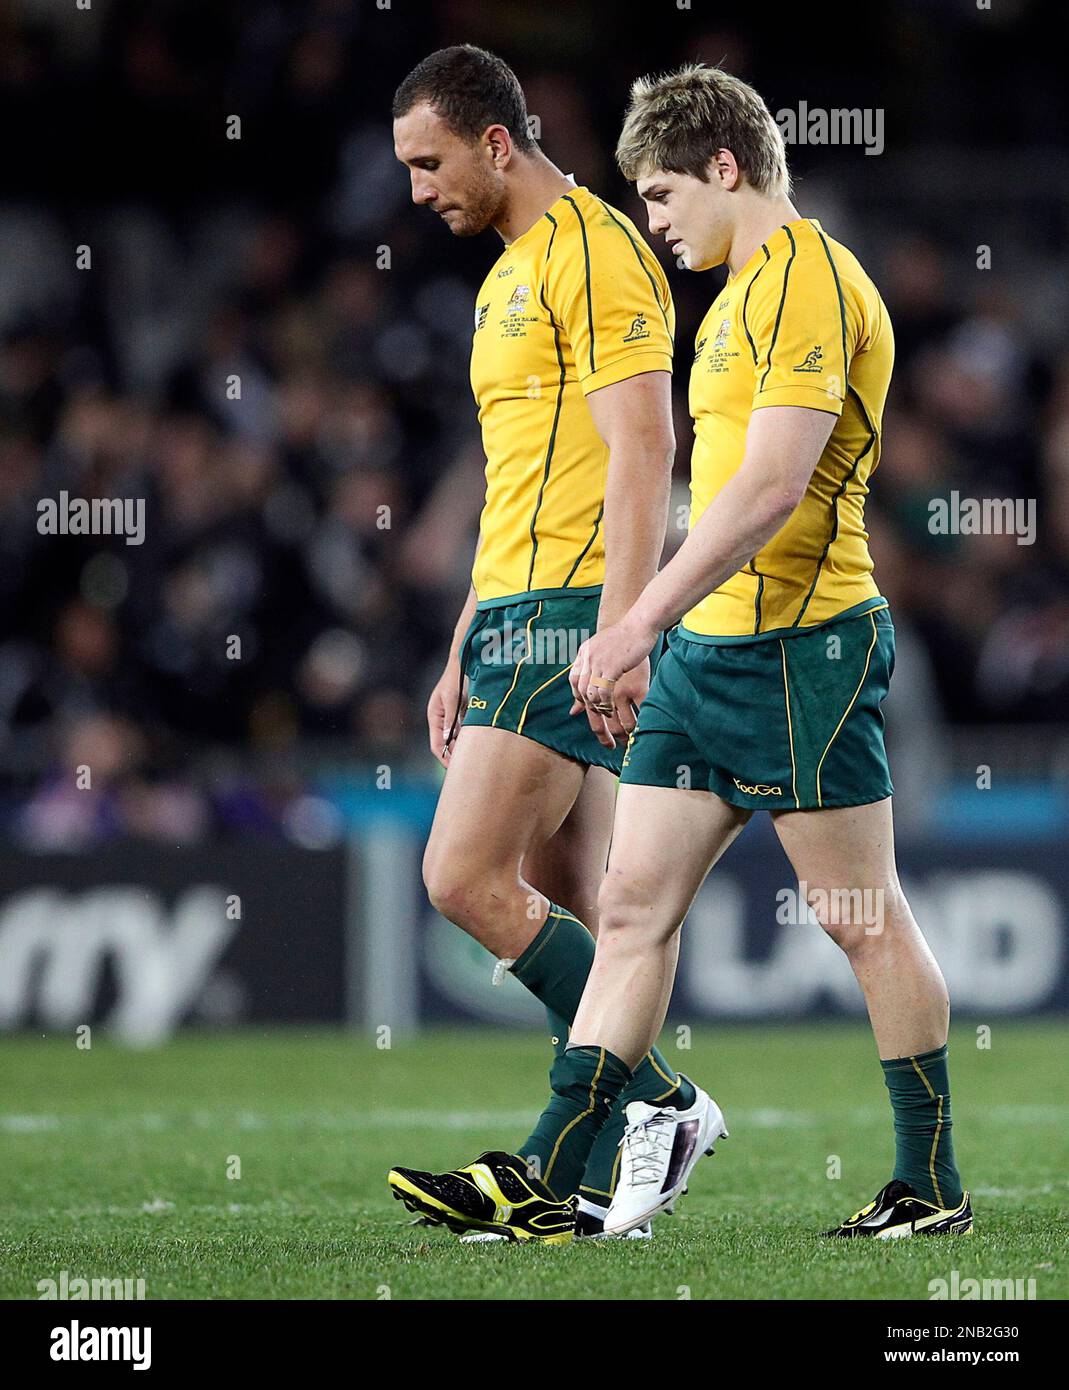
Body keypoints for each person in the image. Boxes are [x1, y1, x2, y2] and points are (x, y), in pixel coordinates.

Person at [389, 63, 971, 1244]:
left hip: (804, 648)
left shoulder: (808, 282)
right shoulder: (739, 295)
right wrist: (657, 621)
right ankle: (552, 1169)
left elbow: (767, 486)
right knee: (632, 904)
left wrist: (631, 616)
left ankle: (928, 1179)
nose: (653, 221)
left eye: (662, 193)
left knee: (859, 913)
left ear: (723, 167)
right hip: (707, 646)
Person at [389, 45, 717, 1241]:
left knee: (462, 877)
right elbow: (513, 479)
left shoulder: (598, 248)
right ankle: (598, 1157)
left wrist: (628, 632)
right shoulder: (505, 279)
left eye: (429, 164)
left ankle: (662, 1112)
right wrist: (460, 640)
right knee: (585, 898)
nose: (418, 192)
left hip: (576, 612)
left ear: (494, 140)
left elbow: (646, 450)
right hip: (514, 615)